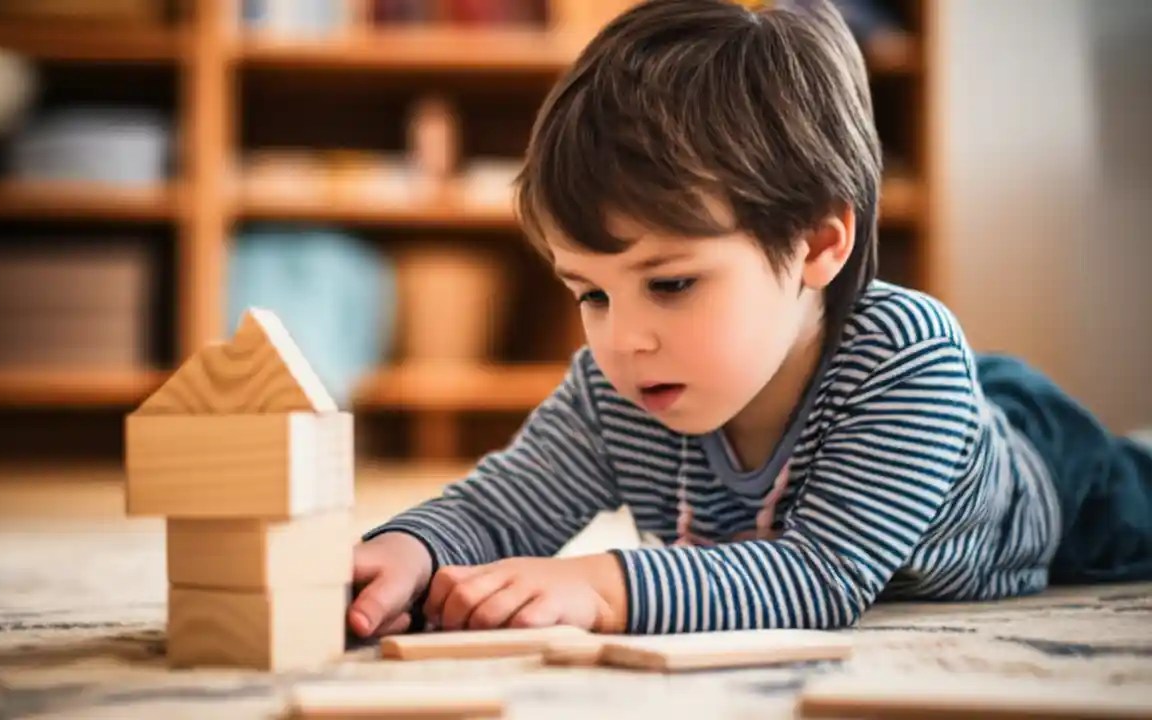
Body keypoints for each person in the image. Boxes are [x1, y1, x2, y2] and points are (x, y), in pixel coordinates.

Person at [346, 0, 1152, 638]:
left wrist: (603, 582)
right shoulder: (616, 389)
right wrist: (410, 550)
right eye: (591, 293)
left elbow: (818, 576)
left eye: (670, 284)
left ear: (816, 244)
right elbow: (501, 506)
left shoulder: (907, 358)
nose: (622, 340)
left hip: (1064, 489)